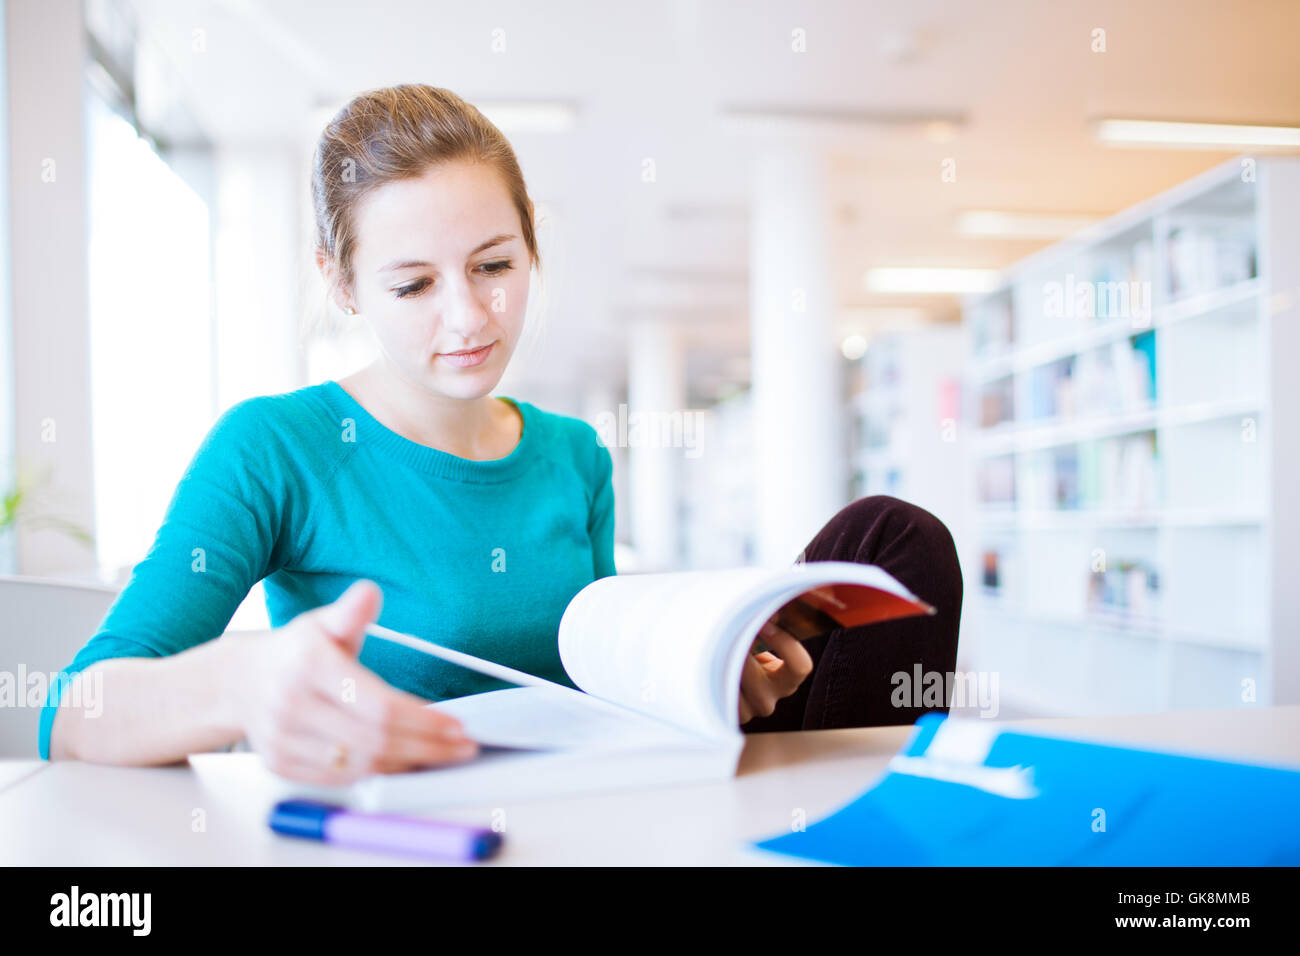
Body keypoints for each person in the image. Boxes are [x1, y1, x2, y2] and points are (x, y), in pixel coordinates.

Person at [41, 84, 961, 783]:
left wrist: (710, 673)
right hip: (428, 825)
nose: (470, 316)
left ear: (531, 244)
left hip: (602, 794)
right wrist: (239, 685)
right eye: (413, 285)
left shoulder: (572, 454)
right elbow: (74, 709)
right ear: (342, 283)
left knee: (896, 540)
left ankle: (863, 823)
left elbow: (598, 676)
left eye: (494, 264)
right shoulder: (275, 447)